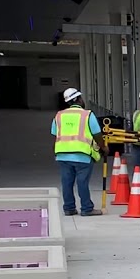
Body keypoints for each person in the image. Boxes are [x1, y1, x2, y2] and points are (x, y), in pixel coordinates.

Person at [51, 87, 105, 216]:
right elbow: (97, 134)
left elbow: (55, 134)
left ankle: (69, 208)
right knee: (82, 182)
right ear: (78, 99)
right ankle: (86, 208)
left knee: (67, 183)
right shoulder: (87, 115)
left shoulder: (59, 116)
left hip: (63, 155)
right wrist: (104, 148)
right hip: (83, 156)